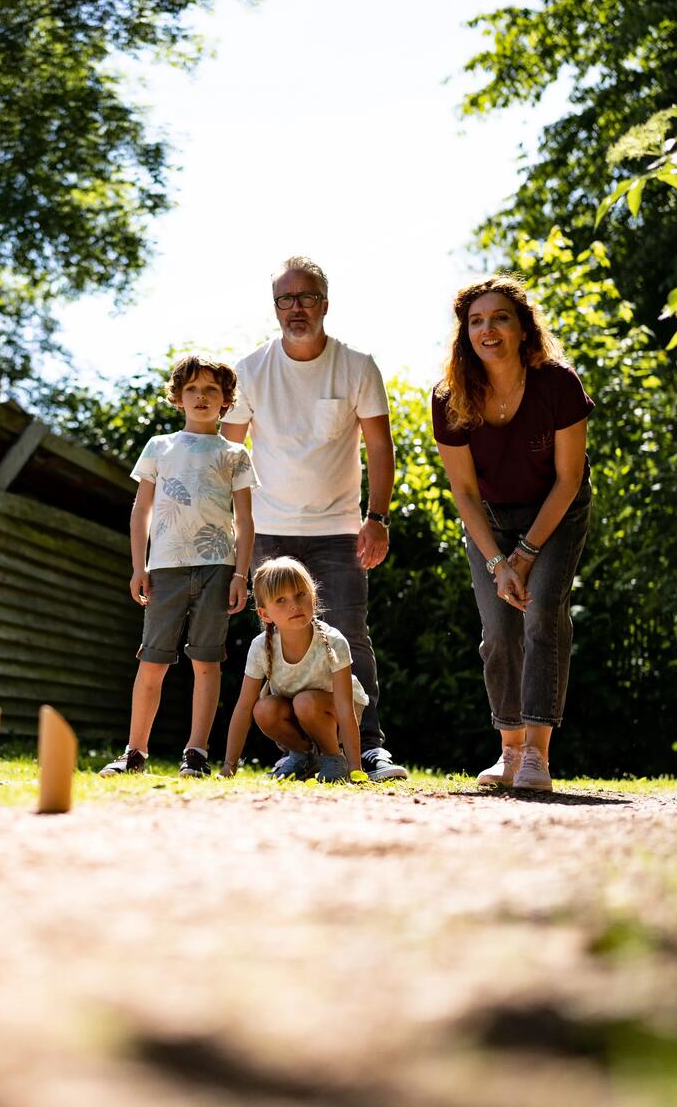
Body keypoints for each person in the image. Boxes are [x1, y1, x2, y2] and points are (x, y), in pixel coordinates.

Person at [220, 256, 406, 780]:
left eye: (305, 298)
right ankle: (302, 749)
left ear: (325, 303)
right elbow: (229, 458)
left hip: (339, 528)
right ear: (275, 307)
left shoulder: (357, 365)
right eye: (285, 299)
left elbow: (379, 447)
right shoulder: (250, 371)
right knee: (274, 638)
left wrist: (378, 517)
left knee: (349, 631)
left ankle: (369, 747)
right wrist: (234, 532)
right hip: (270, 531)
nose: (295, 308)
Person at [430, 274, 593, 791]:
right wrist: (501, 562)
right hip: (491, 523)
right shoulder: (450, 396)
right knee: (499, 631)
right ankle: (509, 749)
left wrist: (526, 555)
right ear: (465, 334)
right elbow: (465, 493)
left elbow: (569, 479)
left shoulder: (558, 383)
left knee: (543, 611)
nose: (488, 329)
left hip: (557, 512)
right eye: (476, 321)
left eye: (500, 318)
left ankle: (536, 758)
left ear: (523, 328)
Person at [102, 355, 257, 777]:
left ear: (226, 400)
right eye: (192, 389)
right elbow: (141, 513)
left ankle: (197, 753)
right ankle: (134, 753)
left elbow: (244, 521)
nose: (201, 396)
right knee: (151, 662)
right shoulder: (159, 447)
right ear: (178, 397)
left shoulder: (236, 454)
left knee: (206, 663)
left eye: (211, 389)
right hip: (165, 569)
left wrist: (241, 575)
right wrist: (139, 567)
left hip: (218, 569)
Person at [218, 557, 363, 782]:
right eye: (281, 600)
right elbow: (244, 707)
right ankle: (304, 756)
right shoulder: (260, 647)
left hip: (336, 716)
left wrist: (356, 768)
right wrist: (229, 766)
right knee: (263, 709)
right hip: (297, 714)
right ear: (264, 613)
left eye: (300, 595)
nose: (293, 605)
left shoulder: (334, 641)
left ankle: (335, 758)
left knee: (304, 702)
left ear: (313, 597)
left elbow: (345, 706)